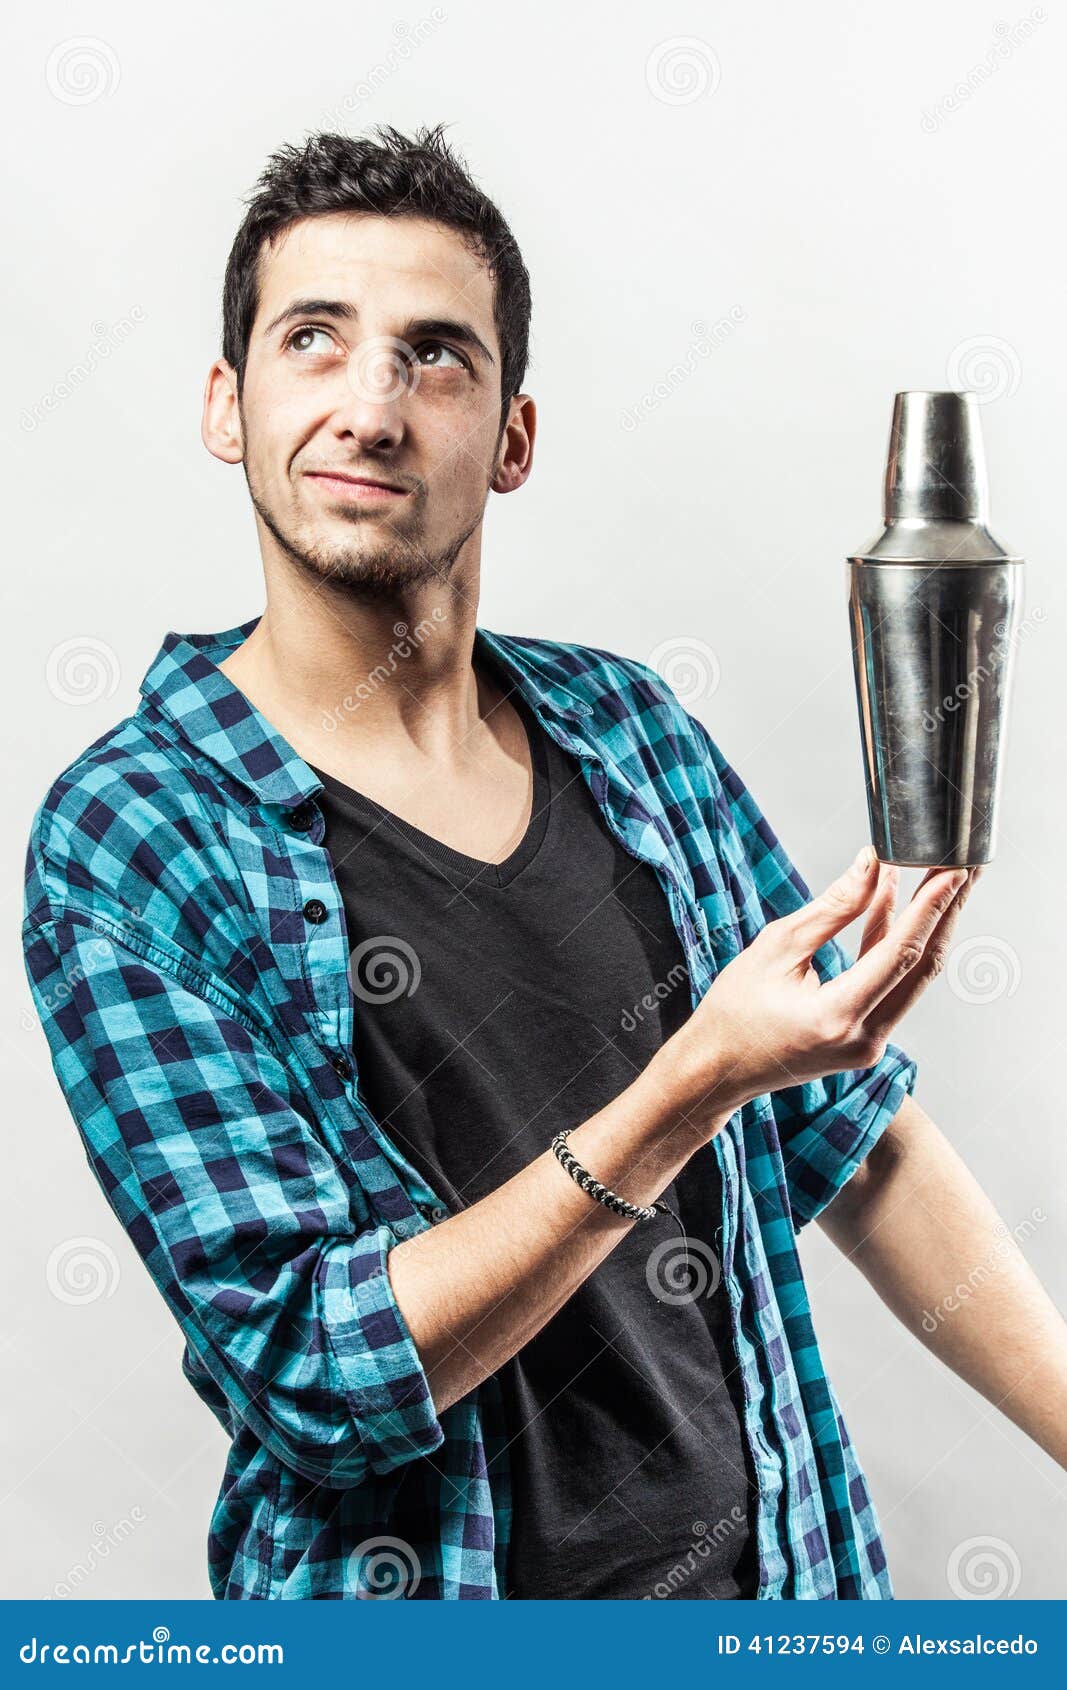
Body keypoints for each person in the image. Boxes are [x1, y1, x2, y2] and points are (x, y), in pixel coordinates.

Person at [22, 125, 1066, 1602]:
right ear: (227, 402)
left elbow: (860, 1141)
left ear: (512, 436)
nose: (370, 408)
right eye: (313, 341)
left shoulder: (632, 733)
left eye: (435, 357)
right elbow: (315, 1369)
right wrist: (689, 1084)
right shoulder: (134, 838)